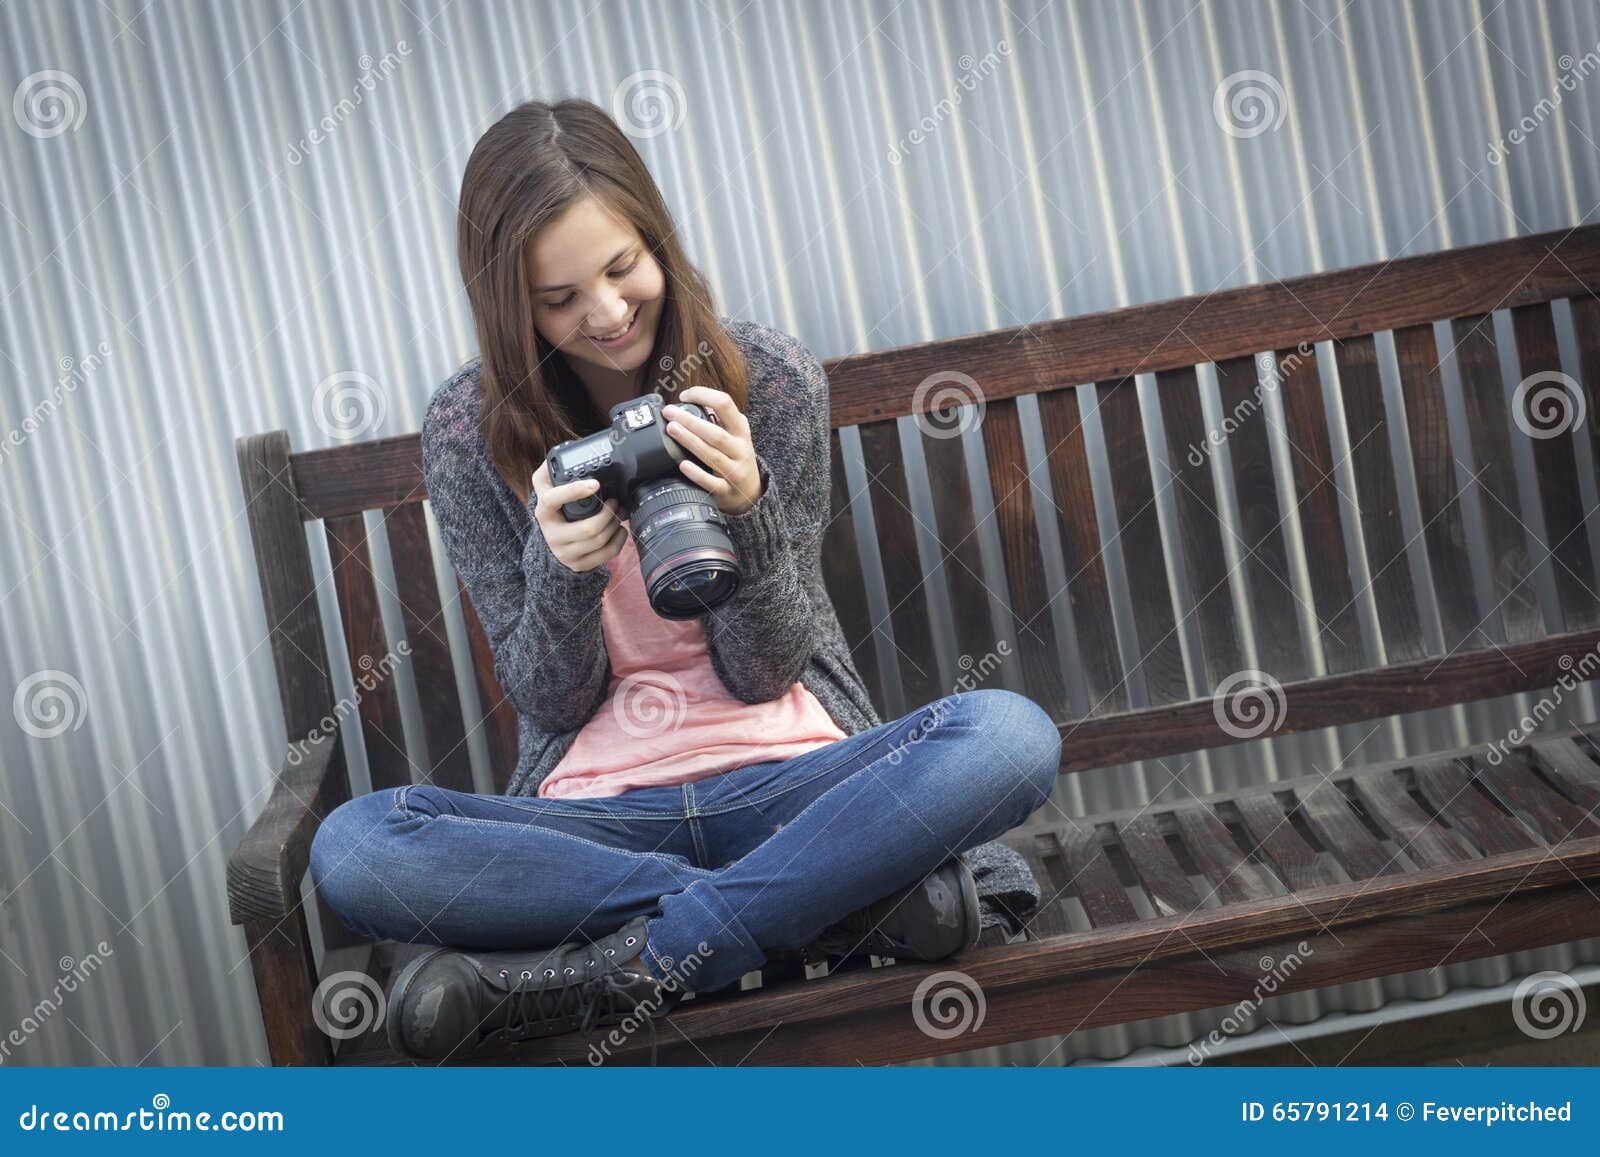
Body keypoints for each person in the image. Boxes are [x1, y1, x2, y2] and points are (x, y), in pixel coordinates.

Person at [307, 97, 1064, 1064]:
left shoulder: (772, 381)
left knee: (1007, 735)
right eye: (560, 298)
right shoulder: (470, 432)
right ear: (509, 306)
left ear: (657, 239)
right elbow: (550, 695)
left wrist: (745, 509)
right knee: (358, 845)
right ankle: (830, 904)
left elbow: (766, 669)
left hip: (797, 782)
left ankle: (616, 966)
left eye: (623, 269)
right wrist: (562, 572)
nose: (609, 313)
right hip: (597, 825)